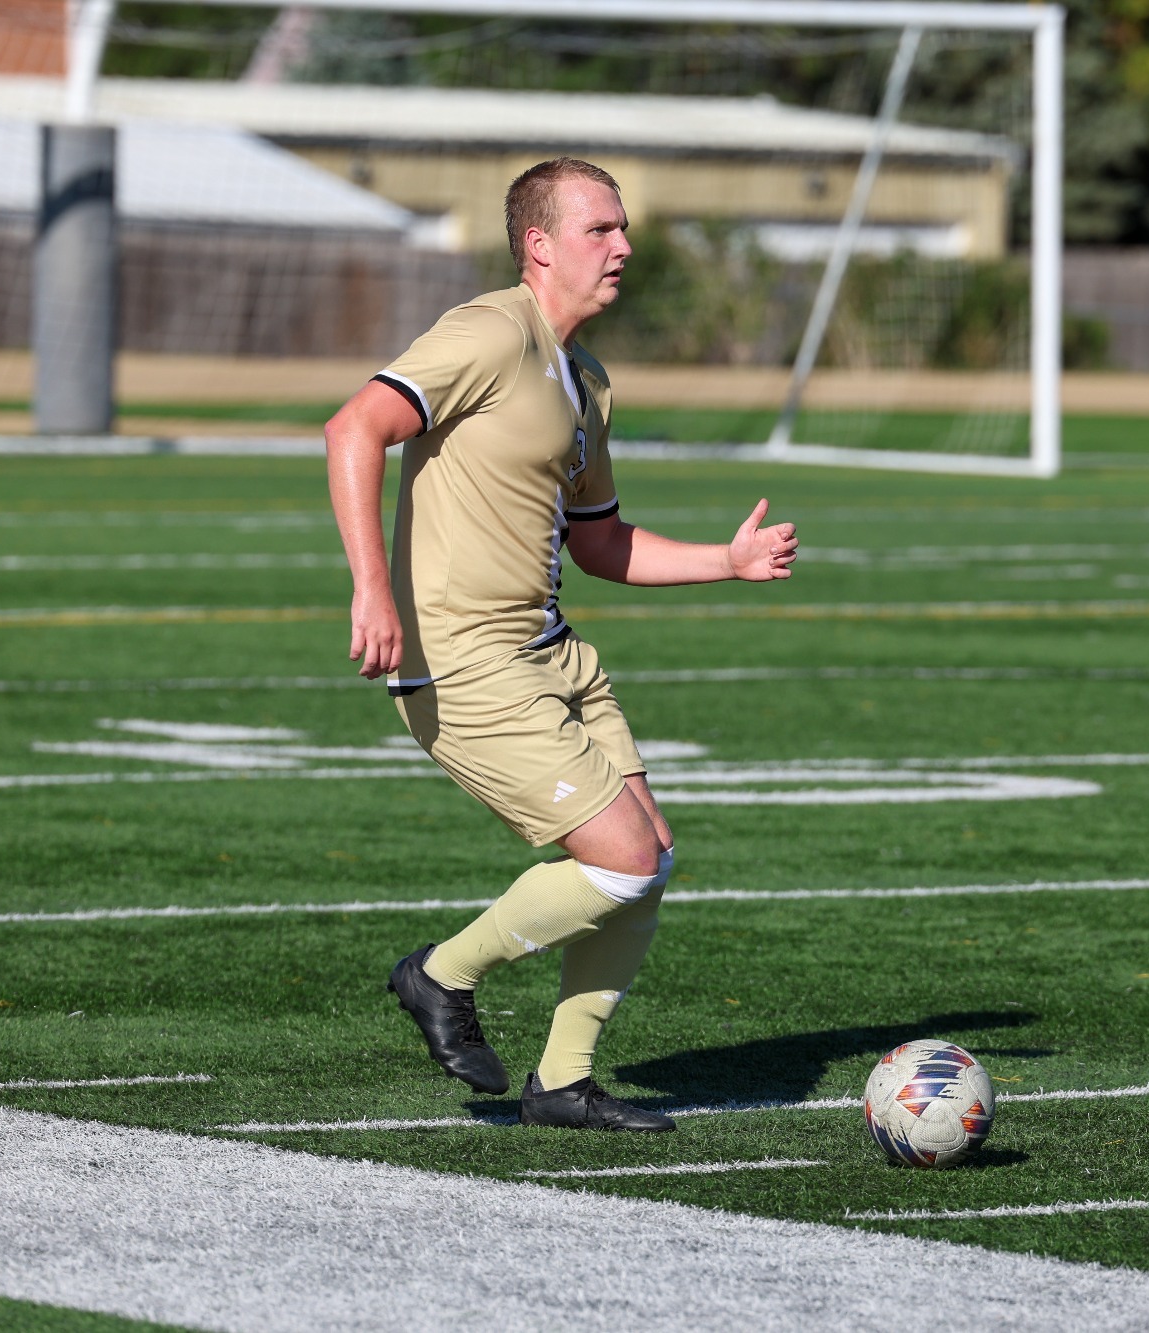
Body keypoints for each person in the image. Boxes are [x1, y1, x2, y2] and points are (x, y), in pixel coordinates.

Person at [323, 158, 798, 1132]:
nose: (622, 246)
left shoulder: (585, 379)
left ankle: (561, 1082)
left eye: (623, 229)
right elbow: (353, 427)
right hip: (459, 658)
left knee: (649, 858)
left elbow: (600, 543)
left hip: (549, 650)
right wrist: (372, 588)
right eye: (600, 229)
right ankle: (439, 975)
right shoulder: (489, 331)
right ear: (538, 244)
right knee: (617, 859)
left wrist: (727, 558)